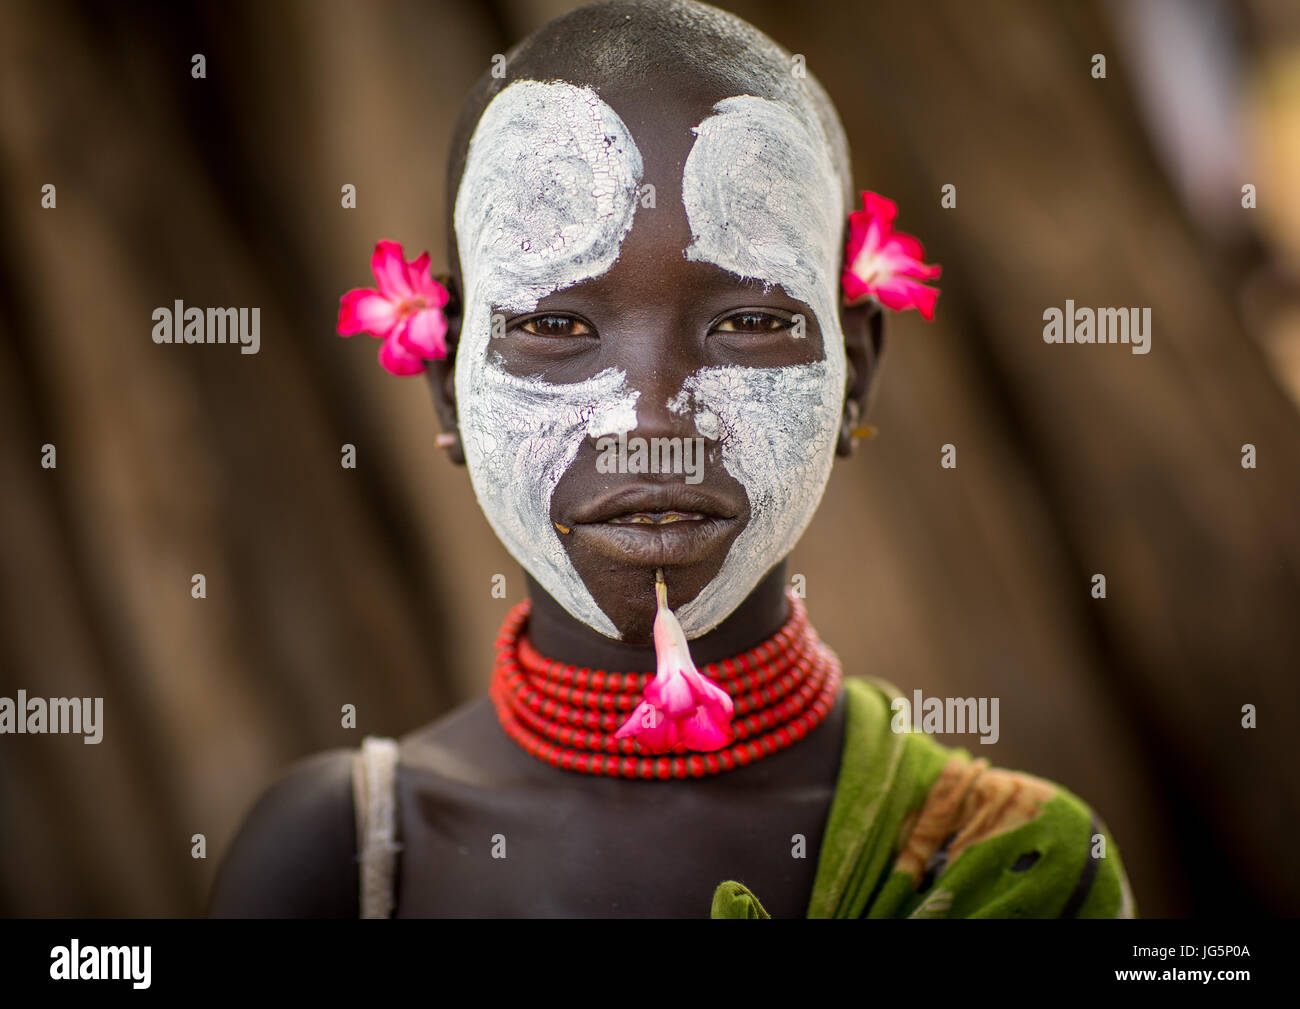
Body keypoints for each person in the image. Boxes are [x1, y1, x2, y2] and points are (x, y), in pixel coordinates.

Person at [209, 0, 1134, 918]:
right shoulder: (338, 855)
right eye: (553, 325)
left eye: (750, 323)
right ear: (447, 386)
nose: (652, 415)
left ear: (854, 370)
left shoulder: (1005, 859)